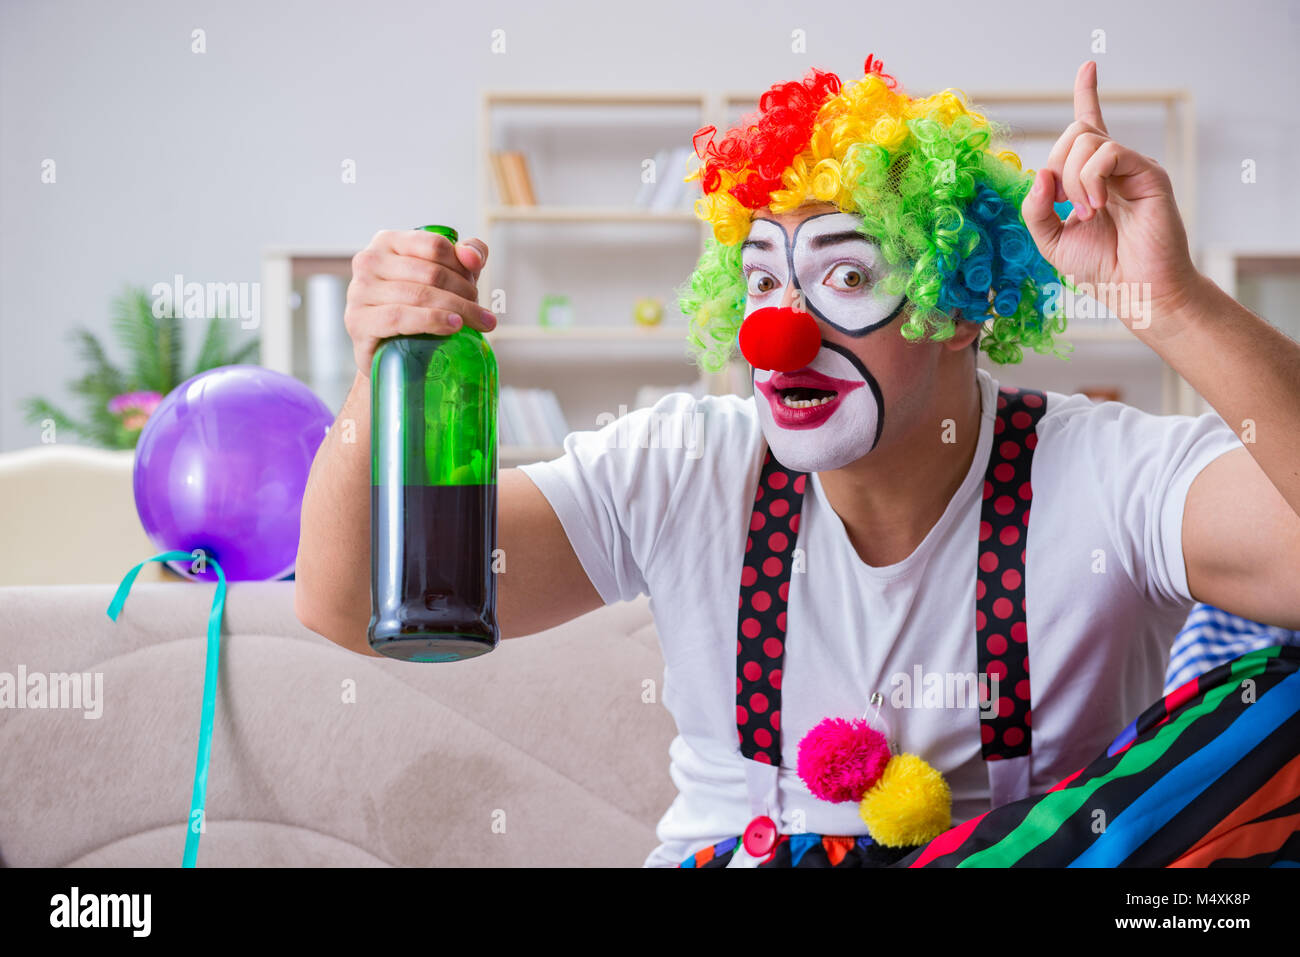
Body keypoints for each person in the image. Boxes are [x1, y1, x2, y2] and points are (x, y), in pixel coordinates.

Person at [294, 56, 1300, 868]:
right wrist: (384, 366)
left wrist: (1173, 304)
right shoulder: (685, 462)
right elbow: (346, 605)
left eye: (847, 274)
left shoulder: (1107, 476)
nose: (780, 330)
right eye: (764, 277)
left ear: (955, 305)